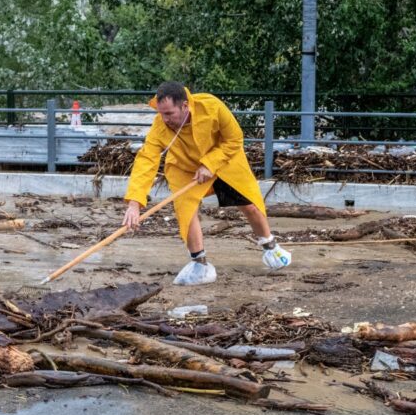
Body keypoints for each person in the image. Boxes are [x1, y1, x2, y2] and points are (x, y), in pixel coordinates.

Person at [122, 81, 291, 285]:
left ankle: (270, 246)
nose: (164, 119)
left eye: (169, 113)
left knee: (250, 205)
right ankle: (199, 263)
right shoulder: (161, 125)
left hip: (224, 161)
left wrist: (210, 163)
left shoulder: (212, 107)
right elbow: (146, 159)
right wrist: (134, 203)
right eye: (161, 113)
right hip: (185, 168)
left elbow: (234, 138)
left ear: (185, 105)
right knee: (187, 210)